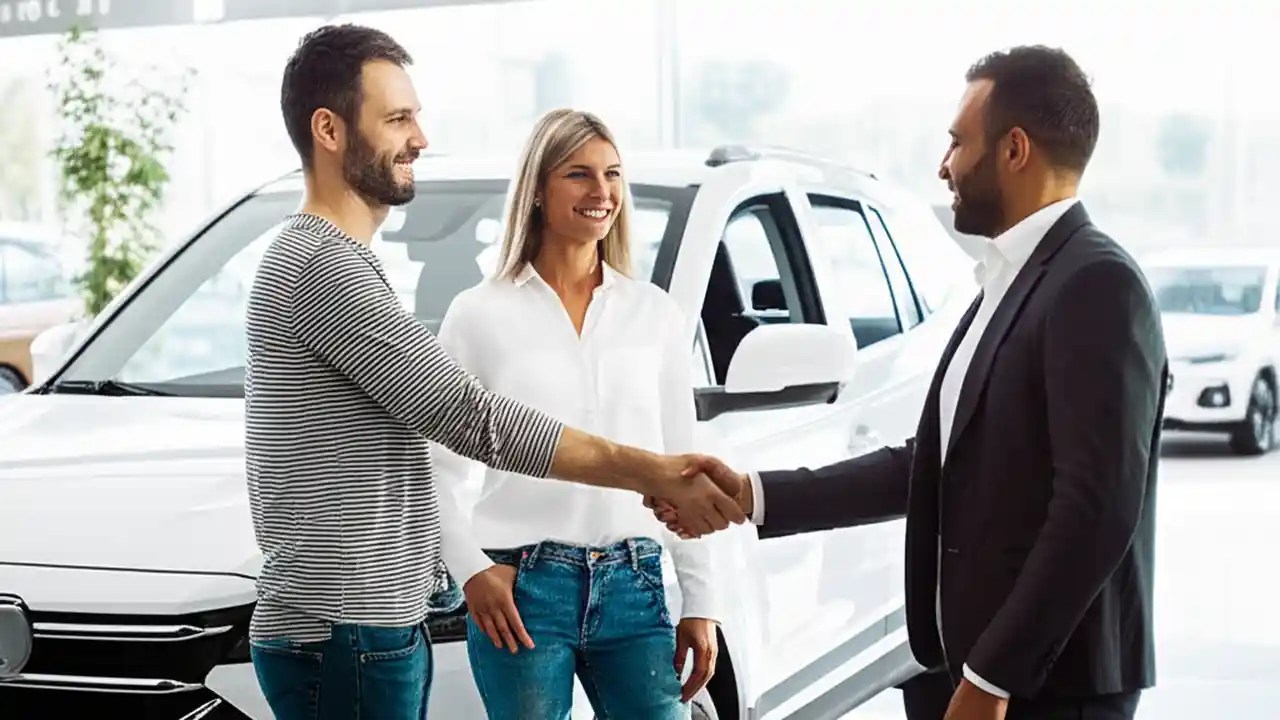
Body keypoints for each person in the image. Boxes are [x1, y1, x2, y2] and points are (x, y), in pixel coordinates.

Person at [244, 25, 745, 720]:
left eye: (415, 116)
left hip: (366, 626)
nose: (420, 137)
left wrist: (699, 590)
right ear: (328, 130)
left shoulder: (339, 261)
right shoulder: (324, 266)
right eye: (398, 118)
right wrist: (655, 474)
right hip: (348, 630)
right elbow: (469, 420)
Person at [655, 45, 1168, 720]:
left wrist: (992, 678)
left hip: (1048, 688)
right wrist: (754, 495)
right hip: (966, 669)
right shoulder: (1009, 280)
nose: (944, 165)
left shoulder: (1095, 284)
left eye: (958, 142)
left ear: (1015, 150)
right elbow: (934, 467)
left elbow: (1095, 513)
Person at [428, 108, 720, 720]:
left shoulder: (655, 314)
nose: (603, 192)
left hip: (636, 585)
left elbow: (682, 466)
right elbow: (435, 471)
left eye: (613, 174)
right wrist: (471, 572)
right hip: (522, 589)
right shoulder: (477, 314)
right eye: (579, 174)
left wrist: (701, 599)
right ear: (537, 187)